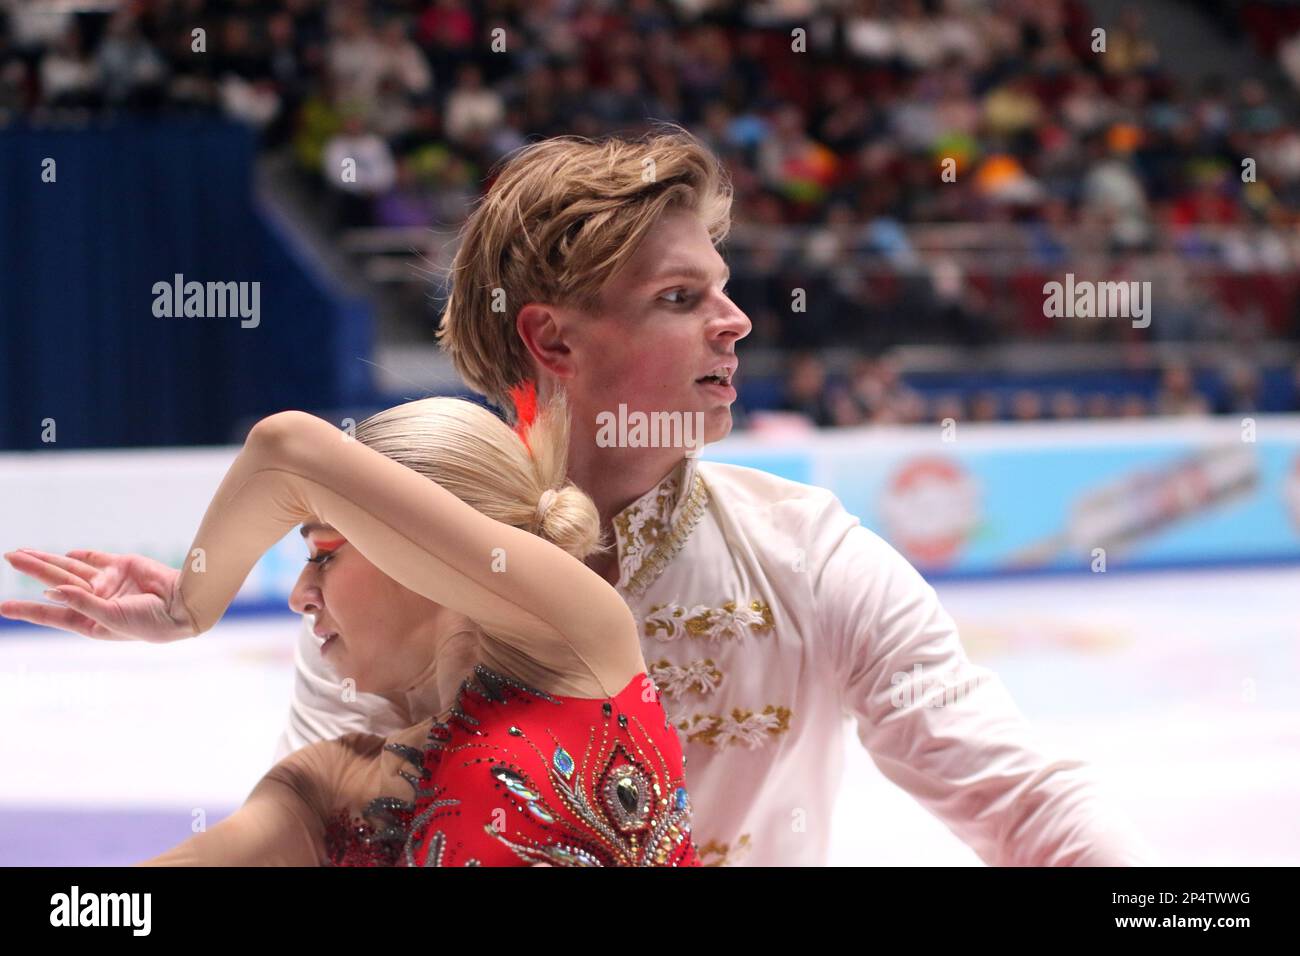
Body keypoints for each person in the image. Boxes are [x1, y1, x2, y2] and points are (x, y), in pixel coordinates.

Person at [280, 125, 1159, 865]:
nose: (735, 320)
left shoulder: (808, 556)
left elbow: (1027, 801)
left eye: (724, 288)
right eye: (679, 297)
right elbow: (316, 836)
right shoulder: (394, 573)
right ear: (551, 340)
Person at [2, 393, 697, 867]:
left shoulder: (576, 640)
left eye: (324, 554)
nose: (302, 595)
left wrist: (188, 605)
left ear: (412, 547)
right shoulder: (335, 782)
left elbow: (287, 448)